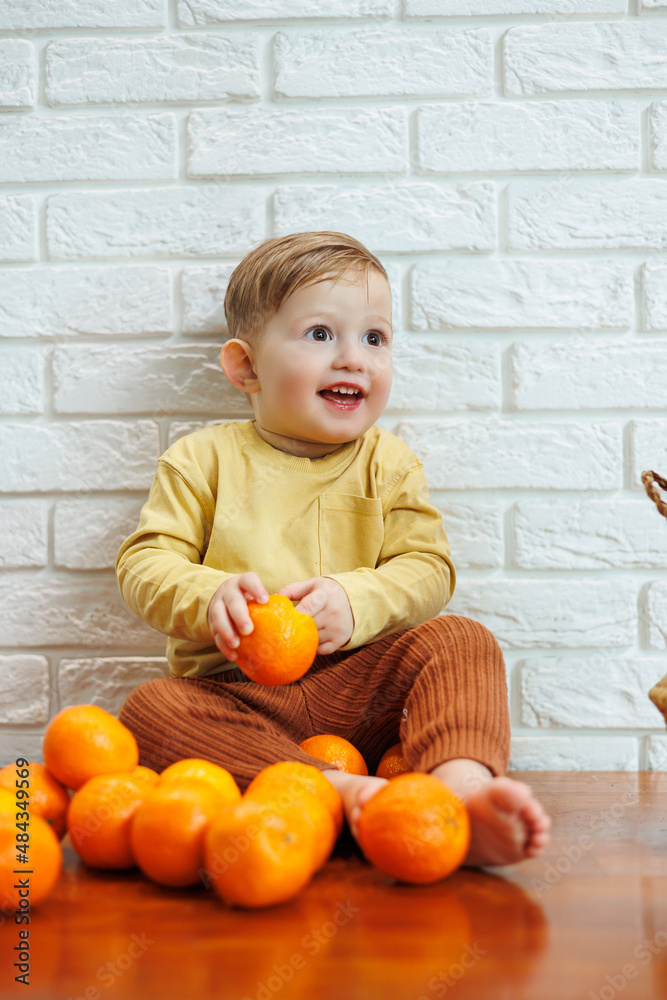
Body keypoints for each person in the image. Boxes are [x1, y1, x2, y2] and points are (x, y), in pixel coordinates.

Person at [116, 231, 550, 867]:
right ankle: (340, 792)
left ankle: (457, 802)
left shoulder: (389, 462)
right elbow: (145, 563)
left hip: (362, 687)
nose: (354, 359)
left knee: (462, 639)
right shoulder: (201, 459)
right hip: (242, 698)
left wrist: (356, 598)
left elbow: (428, 568)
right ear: (245, 367)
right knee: (150, 708)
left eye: (374, 338)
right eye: (321, 334)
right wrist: (212, 596)